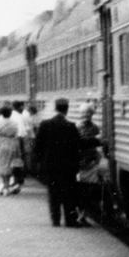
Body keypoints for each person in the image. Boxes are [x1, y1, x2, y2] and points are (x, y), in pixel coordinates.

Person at [35, 97, 83, 227]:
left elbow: (38, 145)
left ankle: (55, 220)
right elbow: (78, 145)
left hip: (50, 165)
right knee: (68, 193)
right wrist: (97, 141)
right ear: (67, 110)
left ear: (55, 108)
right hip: (67, 166)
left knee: (53, 193)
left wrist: (40, 162)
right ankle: (70, 220)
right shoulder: (70, 126)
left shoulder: (45, 124)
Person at [0, 106, 24, 195]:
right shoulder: (15, 123)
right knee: (9, 165)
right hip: (12, 143)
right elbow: (17, 134)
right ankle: (7, 185)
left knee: (2, 165)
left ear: (1, 114)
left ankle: (5, 186)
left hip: (1, 143)